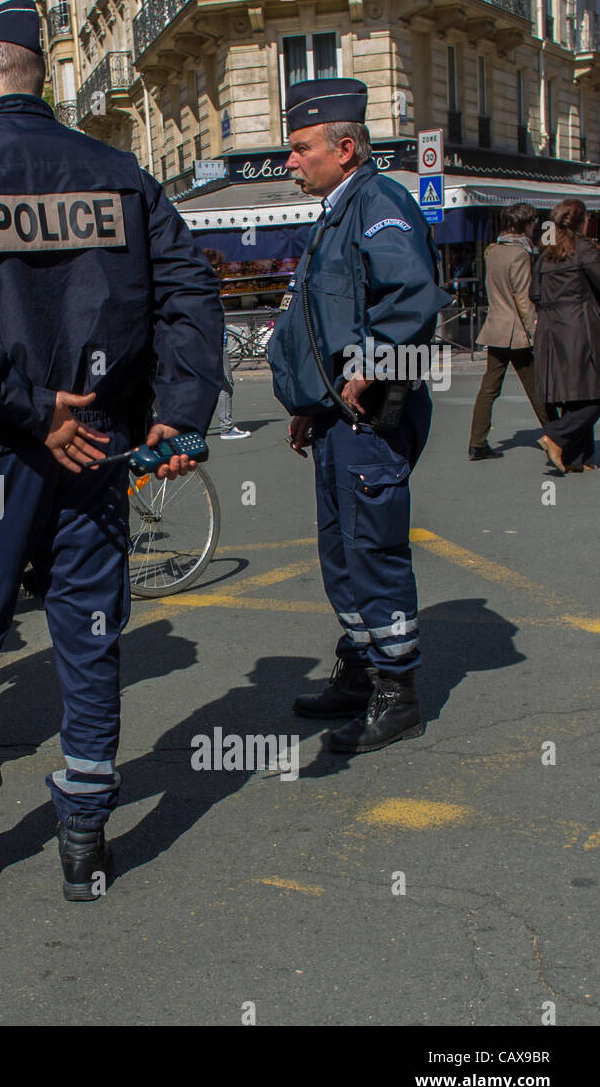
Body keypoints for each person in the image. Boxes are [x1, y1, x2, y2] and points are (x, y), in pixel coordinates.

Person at [0, 0, 223, 900]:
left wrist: (32, 408)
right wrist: (178, 412)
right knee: (87, 636)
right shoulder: (120, 173)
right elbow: (190, 289)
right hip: (101, 448)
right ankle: (85, 843)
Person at [268, 78, 451, 754]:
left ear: (345, 148)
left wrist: (369, 365)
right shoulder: (337, 210)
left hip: (372, 418)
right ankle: (360, 668)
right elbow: (320, 323)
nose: (290, 161)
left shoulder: (379, 202)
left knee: (371, 553)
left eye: (300, 148)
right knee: (343, 553)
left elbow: (412, 296)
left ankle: (397, 693)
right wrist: (310, 406)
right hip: (336, 419)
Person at [469, 203, 549, 459]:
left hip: (496, 326)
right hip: (516, 331)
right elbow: (523, 299)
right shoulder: (520, 254)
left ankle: (477, 441)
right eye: (533, 223)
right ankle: (558, 436)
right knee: (536, 388)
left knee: (488, 389)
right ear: (524, 224)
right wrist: (535, 333)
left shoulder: (493, 251)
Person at [531, 199, 600, 474]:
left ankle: (575, 458)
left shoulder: (545, 254)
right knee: (594, 391)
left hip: (551, 329)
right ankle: (555, 436)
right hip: (580, 327)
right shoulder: (585, 250)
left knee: (577, 394)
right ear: (582, 221)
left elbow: (534, 294)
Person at [203, 248, 250, 440]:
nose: (216, 270)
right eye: (212, 266)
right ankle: (226, 427)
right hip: (212, 343)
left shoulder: (207, 286)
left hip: (213, 342)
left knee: (216, 384)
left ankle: (222, 426)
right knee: (225, 383)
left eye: (217, 266)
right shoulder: (205, 288)